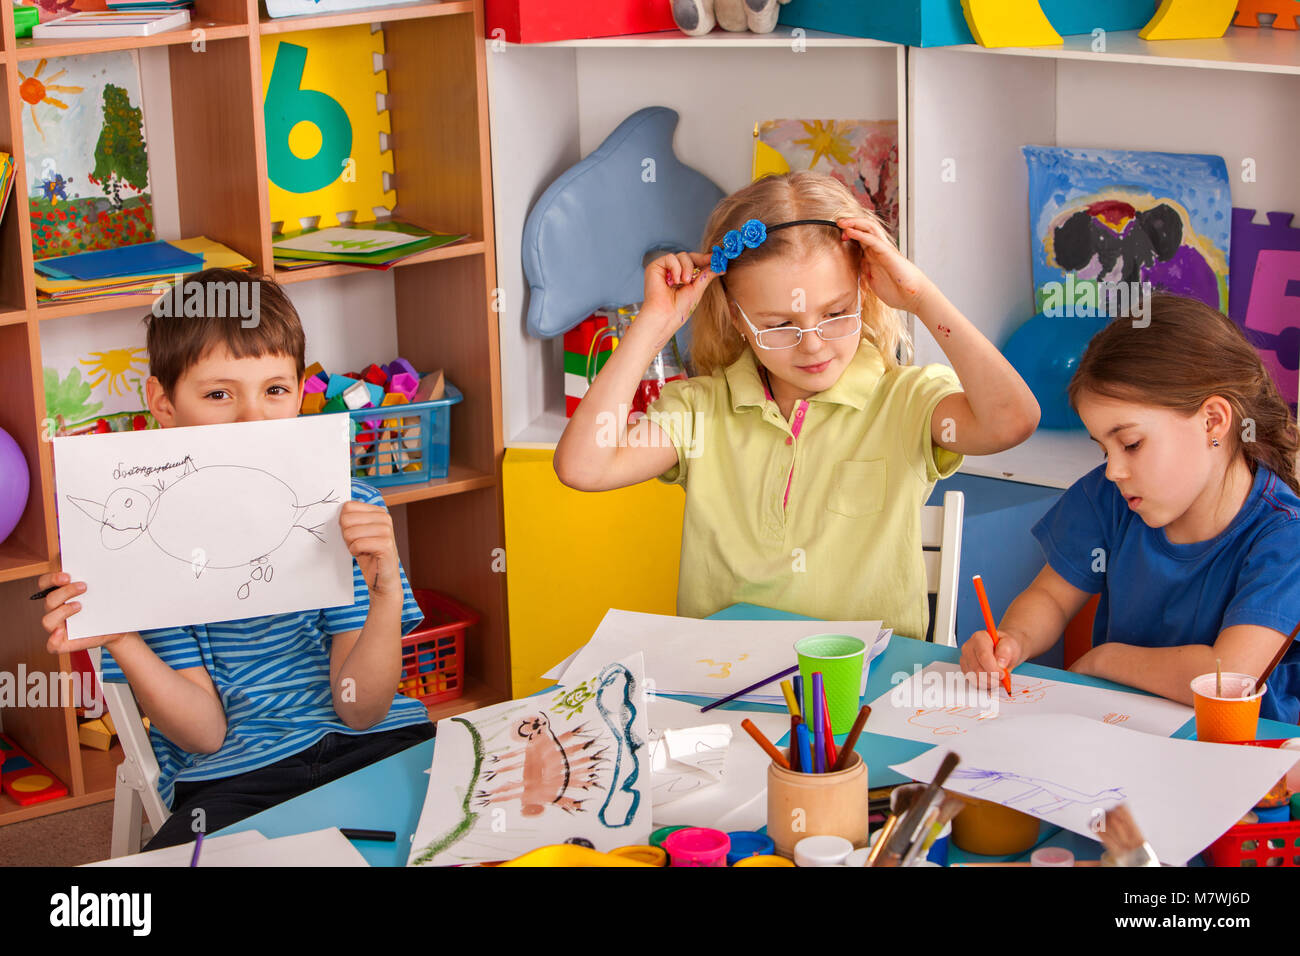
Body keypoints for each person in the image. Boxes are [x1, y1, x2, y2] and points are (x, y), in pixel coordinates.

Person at [36, 269, 433, 849]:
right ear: (163, 403)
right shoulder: (141, 544)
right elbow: (204, 736)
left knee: (478, 822)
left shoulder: (348, 509)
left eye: (275, 390)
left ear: (300, 392)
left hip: (372, 743)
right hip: (236, 775)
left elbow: (361, 710)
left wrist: (385, 597)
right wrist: (122, 638)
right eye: (219, 394)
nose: (253, 418)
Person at [554, 171, 1040, 639]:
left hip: (870, 685)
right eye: (778, 323)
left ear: (864, 295)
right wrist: (655, 324)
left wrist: (921, 297)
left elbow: (1013, 422)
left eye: (835, 313)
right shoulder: (699, 411)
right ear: (736, 317)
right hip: (724, 681)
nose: (813, 345)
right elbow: (583, 468)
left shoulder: (908, 402)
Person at [961, 293, 1300, 722]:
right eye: (1103, 449)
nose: (1114, 470)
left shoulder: (1286, 536)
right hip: (1125, 736)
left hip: (1244, 756)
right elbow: (1050, 595)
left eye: (1131, 444)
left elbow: (1226, 677)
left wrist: (1106, 661)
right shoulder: (1111, 496)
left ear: (1213, 422)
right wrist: (1011, 639)